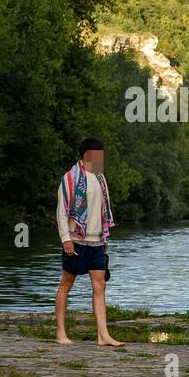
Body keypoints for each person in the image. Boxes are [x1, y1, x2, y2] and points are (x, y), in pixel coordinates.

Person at [55, 137, 124, 347]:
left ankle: (103, 336)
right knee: (66, 284)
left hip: (96, 241)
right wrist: (66, 239)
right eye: (99, 155)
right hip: (76, 240)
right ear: (87, 155)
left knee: (100, 285)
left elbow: (102, 211)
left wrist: (104, 240)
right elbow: (61, 212)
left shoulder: (100, 179)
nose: (102, 159)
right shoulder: (70, 178)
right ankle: (60, 333)